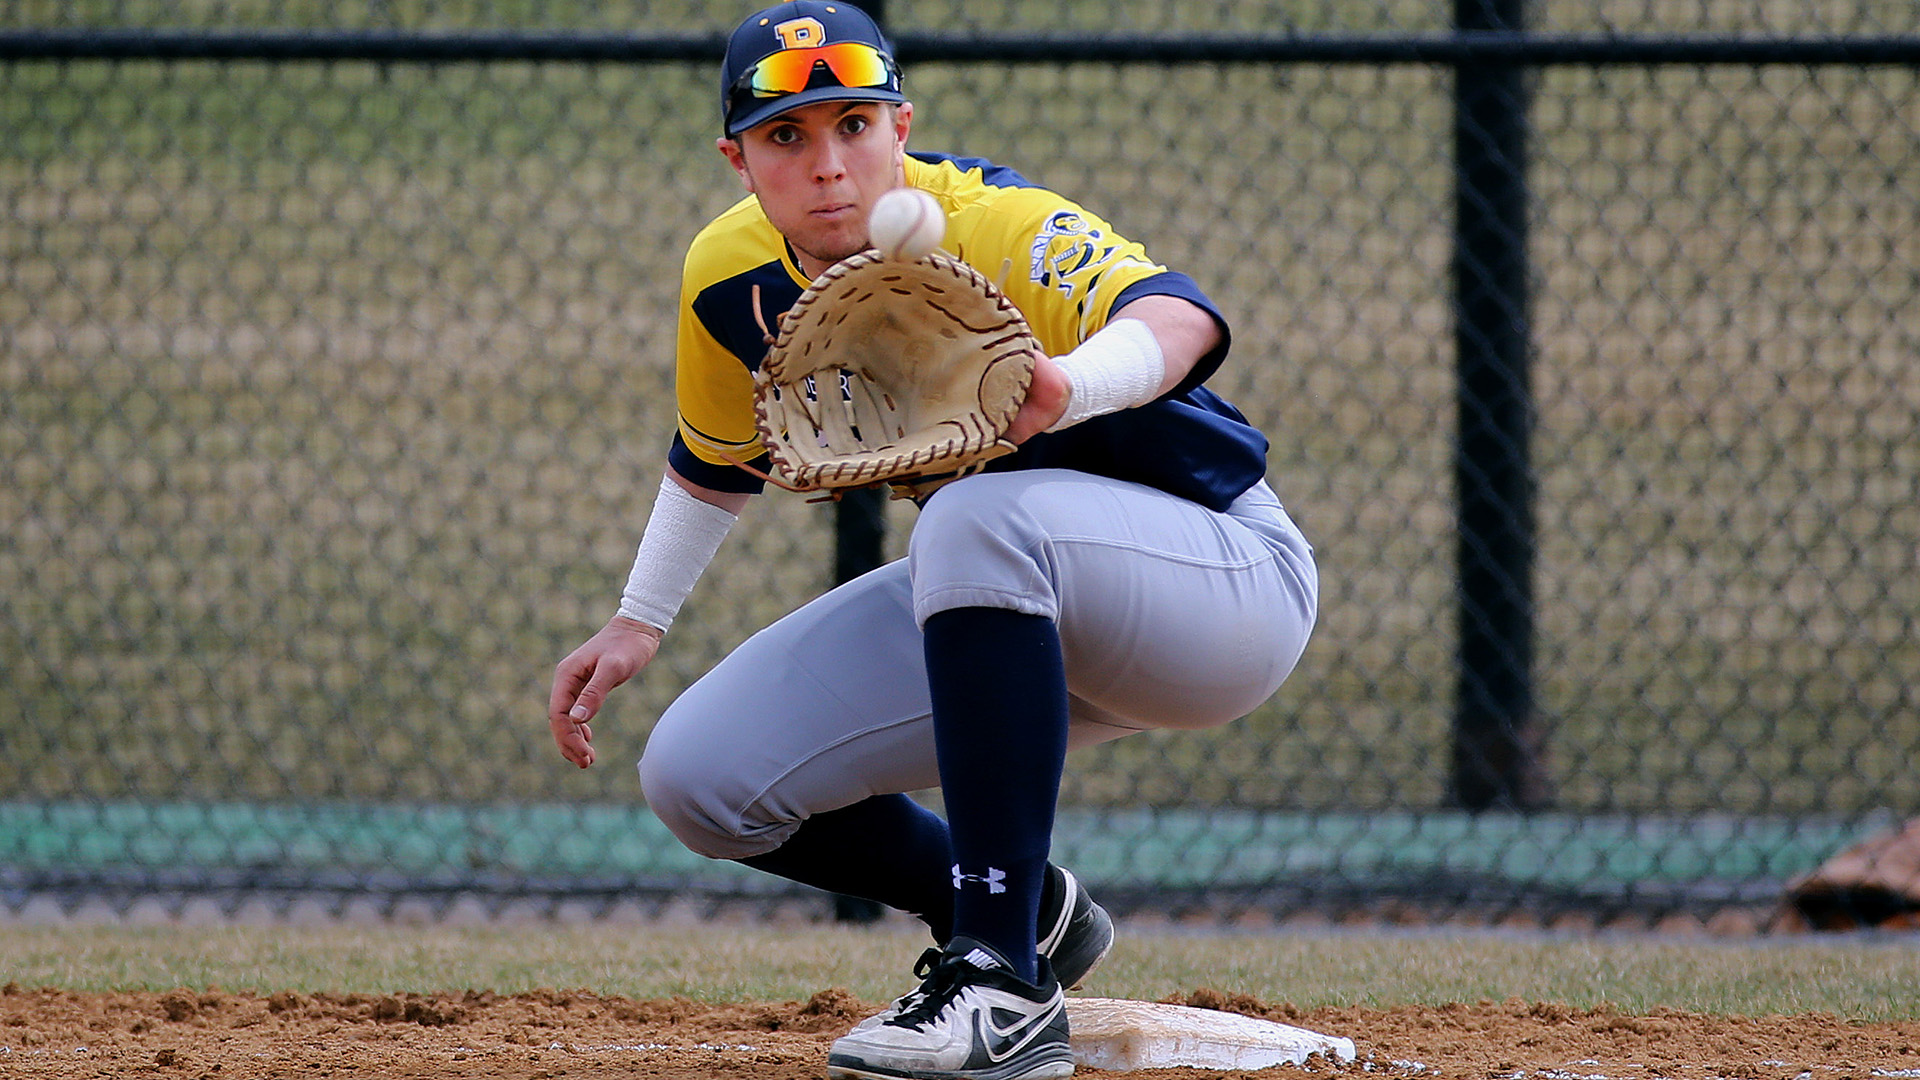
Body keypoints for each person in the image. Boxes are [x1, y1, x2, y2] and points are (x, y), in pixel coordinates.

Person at [546, 4, 1318, 1078]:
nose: (828, 165)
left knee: (974, 516)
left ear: (902, 126)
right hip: (1004, 602)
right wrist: (639, 621)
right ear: (738, 161)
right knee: (700, 773)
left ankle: (1000, 984)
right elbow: (719, 454)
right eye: (788, 137)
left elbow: (1182, 317)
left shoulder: (992, 224)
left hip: (1223, 585)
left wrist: (1069, 386)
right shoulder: (729, 279)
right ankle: (1022, 907)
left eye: (854, 124)